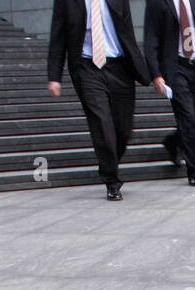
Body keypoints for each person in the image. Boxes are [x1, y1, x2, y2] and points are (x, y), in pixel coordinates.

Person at [47, 0, 150, 201]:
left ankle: (110, 161)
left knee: (123, 130)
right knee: (102, 124)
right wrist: (54, 76)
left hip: (119, 67)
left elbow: (127, 30)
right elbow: (57, 36)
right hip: (87, 67)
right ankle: (111, 179)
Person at [144, 0, 195, 187]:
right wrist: (156, 75)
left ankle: (172, 142)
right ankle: (194, 170)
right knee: (188, 118)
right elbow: (151, 39)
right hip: (175, 68)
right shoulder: (158, 3)